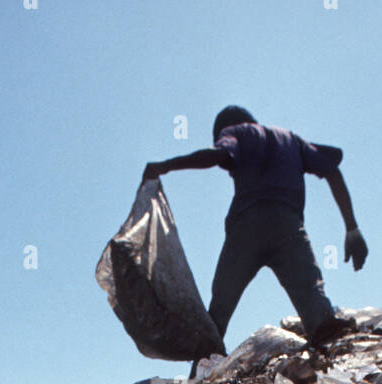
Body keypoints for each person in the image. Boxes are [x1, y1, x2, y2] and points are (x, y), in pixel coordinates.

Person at [143, 105, 368, 352]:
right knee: (318, 312)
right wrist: (352, 229)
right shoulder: (291, 139)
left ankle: (201, 372)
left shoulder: (236, 132)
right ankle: (333, 357)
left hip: (245, 230)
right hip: (288, 229)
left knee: (218, 315)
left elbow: (217, 155)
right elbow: (332, 169)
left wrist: (165, 166)